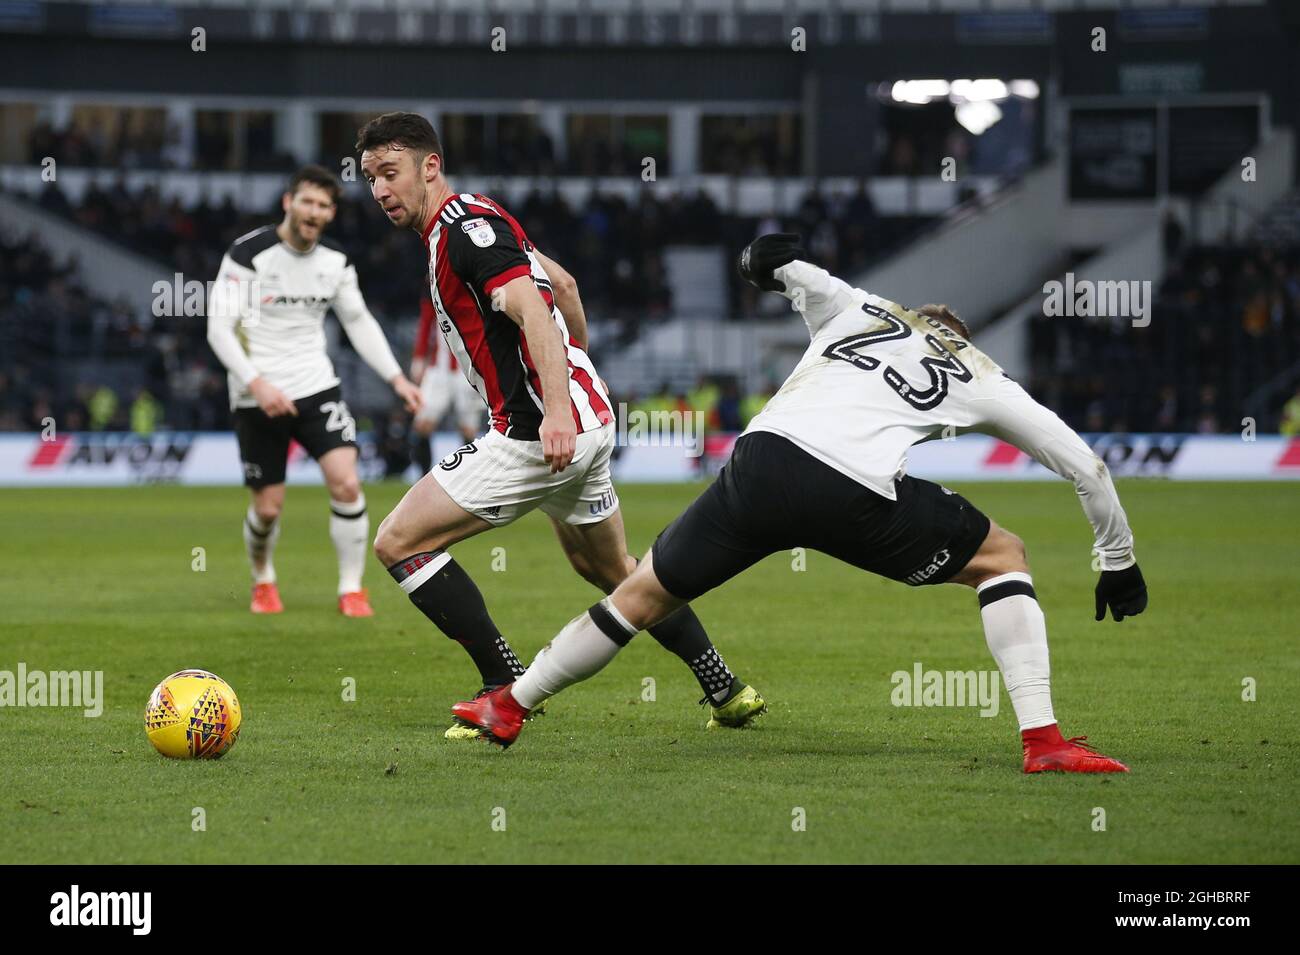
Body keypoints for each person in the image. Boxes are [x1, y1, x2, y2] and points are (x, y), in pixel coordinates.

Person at [454, 234, 1148, 774]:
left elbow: (775, 262)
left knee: (637, 595)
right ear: (957, 335)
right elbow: (1084, 464)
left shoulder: (862, 307)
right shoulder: (978, 372)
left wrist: (764, 261)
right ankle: (1044, 741)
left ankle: (510, 705)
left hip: (760, 463)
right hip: (851, 490)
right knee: (1003, 556)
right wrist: (1116, 559)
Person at [356, 112, 764, 738]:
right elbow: (566, 287)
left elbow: (532, 314)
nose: (380, 190)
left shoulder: (463, 234)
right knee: (612, 571)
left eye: (390, 172)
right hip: (590, 423)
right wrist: (576, 377)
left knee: (398, 542)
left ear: (428, 166)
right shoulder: (483, 213)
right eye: (370, 178)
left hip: (533, 435)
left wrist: (553, 410)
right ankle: (725, 687)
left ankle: (504, 684)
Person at [207, 165, 421, 617]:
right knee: (268, 509)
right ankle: (263, 579)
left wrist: (397, 379)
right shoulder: (249, 255)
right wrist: (256, 382)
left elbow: (358, 322)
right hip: (256, 392)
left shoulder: (335, 262)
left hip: (316, 386)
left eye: (324, 205)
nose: (315, 211)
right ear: (288, 202)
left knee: (346, 483)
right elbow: (219, 329)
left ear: (331, 214)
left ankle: (351, 589)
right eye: (307, 201)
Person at [409, 292, 483, 474]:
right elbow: (426, 322)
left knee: (468, 429)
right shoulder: (435, 284)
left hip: (467, 369)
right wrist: (419, 357)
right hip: (438, 371)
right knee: (422, 425)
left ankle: (468, 477)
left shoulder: (474, 287)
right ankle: (423, 477)